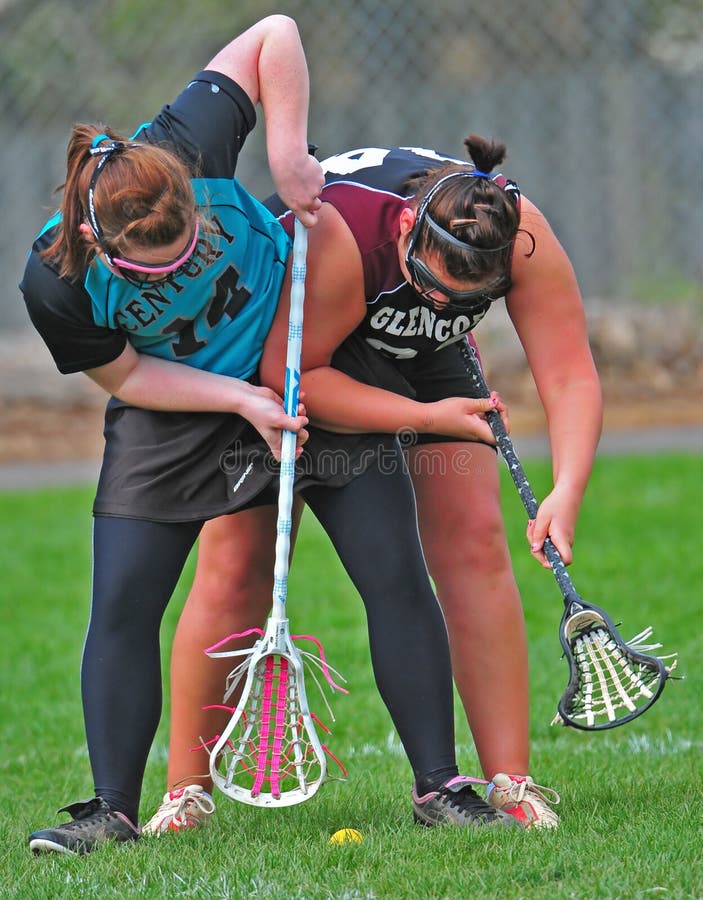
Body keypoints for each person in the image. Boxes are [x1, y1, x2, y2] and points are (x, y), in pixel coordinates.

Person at [21, 20, 517, 855]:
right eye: (152, 272)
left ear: (189, 191)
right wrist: (239, 401)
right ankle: (112, 808)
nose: (178, 271)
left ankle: (440, 784)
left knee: (392, 571)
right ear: (96, 245)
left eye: (189, 248)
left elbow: (274, 34)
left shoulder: (184, 143)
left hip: (298, 365)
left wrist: (287, 154)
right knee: (123, 602)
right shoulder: (55, 281)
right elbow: (131, 380)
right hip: (177, 406)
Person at [145, 139, 600, 834]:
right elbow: (300, 374)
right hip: (297, 345)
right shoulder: (344, 233)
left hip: (420, 351)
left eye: (463, 297)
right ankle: (186, 790)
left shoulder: (518, 232)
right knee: (238, 558)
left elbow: (567, 371)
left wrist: (566, 489)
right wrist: (419, 417)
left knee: (475, 542)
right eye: (431, 281)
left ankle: (508, 778)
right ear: (406, 231)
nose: (441, 300)